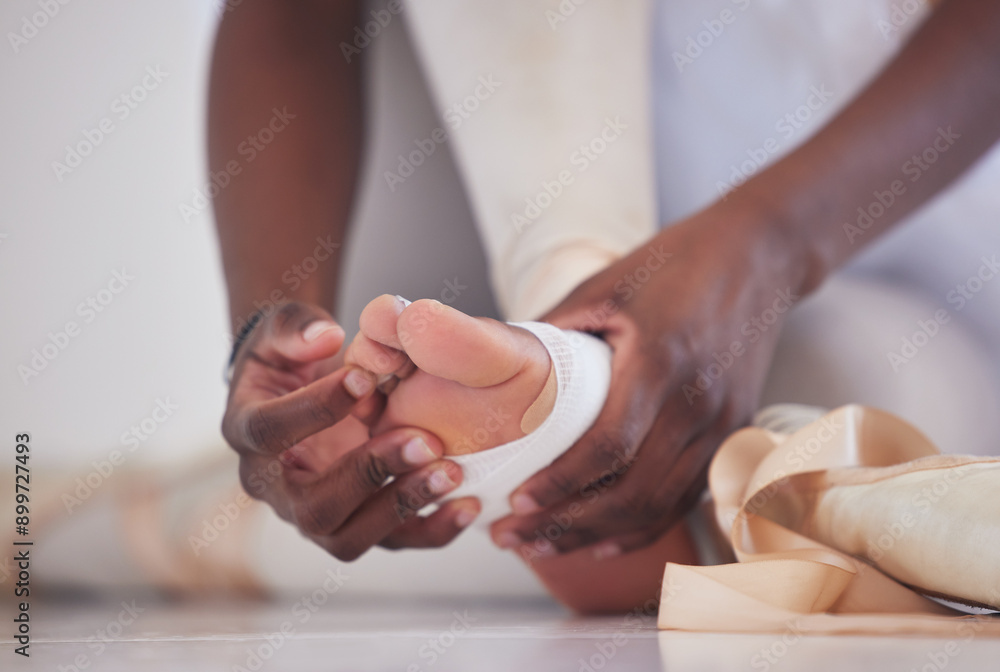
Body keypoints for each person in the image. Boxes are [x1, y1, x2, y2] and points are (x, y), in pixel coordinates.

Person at [212, 0, 1000, 611]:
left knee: (872, 404)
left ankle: (572, 383)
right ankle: (572, 353)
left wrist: (771, 238)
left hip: (924, 175)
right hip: (594, 195)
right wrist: (280, 338)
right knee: (824, 449)